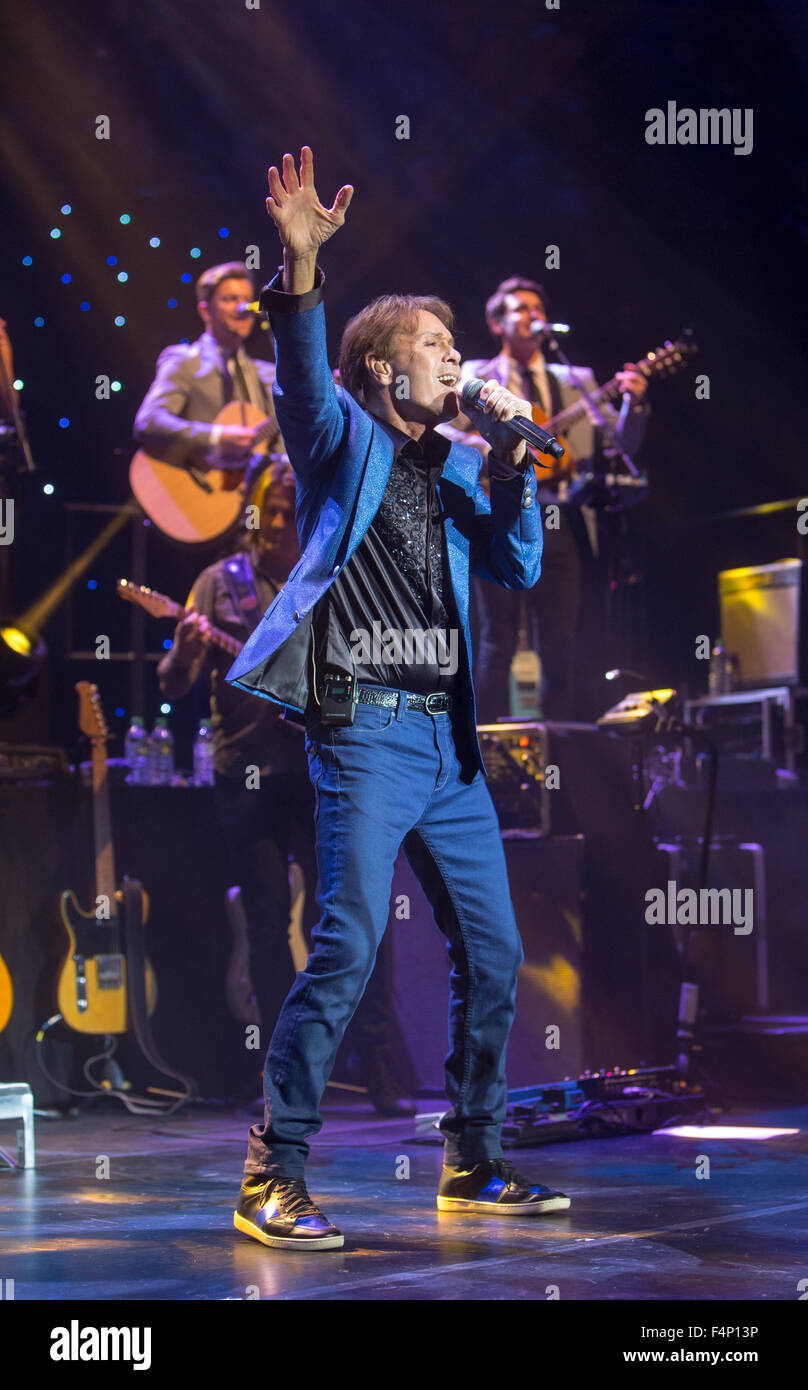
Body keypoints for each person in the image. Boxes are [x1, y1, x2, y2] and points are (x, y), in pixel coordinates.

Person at [226, 146, 571, 1252]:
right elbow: (298, 370)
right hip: (364, 729)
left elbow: (515, 565)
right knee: (350, 941)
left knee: (496, 950)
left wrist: (514, 456)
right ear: (380, 367)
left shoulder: (467, 461)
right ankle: (270, 1173)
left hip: (448, 744)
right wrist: (299, 265)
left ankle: (471, 1159)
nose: (456, 359)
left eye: (455, 345)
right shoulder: (343, 440)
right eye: (436, 345)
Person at [157, 460, 416, 1117]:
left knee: (358, 917)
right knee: (268, 927)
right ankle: (282, 1075)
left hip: (329, 769)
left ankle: (380, 1065)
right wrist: (187, 653)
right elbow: (172, 683)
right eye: (266, 509)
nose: (275, 521)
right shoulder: (220, 583)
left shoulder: (337, 573)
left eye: (286, 508)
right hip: (248, 774)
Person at [450, 276, 650, 721]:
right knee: (498, 634)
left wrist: (632, 407)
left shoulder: (577, 379)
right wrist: (494, 446)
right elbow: (443, 433)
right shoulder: (476, 377)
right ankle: (488, 741)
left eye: (537, 307)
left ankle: (560, 740)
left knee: (560, 635)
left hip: (560, 515)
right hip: (498, 512)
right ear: (496, 322)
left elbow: (620, 448)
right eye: (519, 308)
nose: (532, 315)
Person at [134, 259, 278, 478]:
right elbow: (149, 421)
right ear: (205, 311)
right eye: (230, 299)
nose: (243, 308)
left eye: (247, 300)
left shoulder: (268, 374)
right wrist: (217, 437)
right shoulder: (184, 360)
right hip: (199, 492)